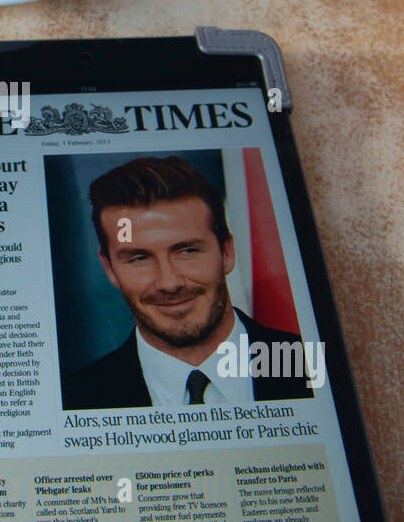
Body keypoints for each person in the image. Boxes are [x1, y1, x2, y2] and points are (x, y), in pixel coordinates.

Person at [62, 156, 312, 410]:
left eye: (188, 251)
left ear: (227, 252)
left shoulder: (308, 364)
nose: (169, 283)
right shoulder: (74, 398)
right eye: (139, 258)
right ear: (109, 269)